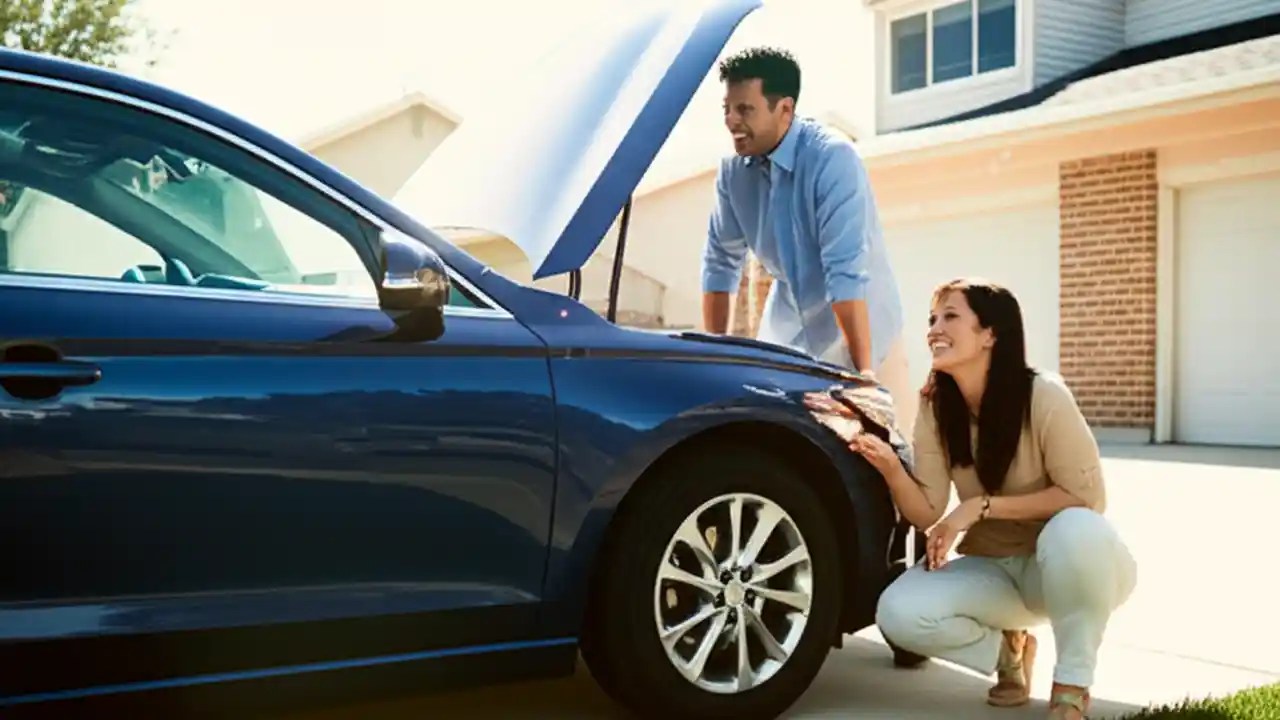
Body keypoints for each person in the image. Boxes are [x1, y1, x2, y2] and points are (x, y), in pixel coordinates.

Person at [848, 278, 1138, 720]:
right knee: (898, 613)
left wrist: (980, 507)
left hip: (1068, 569)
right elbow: (926, 510)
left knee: (1078, 528)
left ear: (990, 335)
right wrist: (889, 464)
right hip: (998, 575)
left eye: (950, 316)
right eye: (932, 319)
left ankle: (1073, 684)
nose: (934, 329)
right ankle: (1008, 652)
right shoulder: (936, 406)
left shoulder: (1044, 394)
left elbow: (1086, 497)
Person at [700, 46, 915, 434]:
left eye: (745, 110)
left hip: (867, 335)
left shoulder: (833, 159)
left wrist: (863, 372)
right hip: (790, 336)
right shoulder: (733, 173)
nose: (731, 121)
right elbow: (720, 265)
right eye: (727, 109)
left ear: (784, 109)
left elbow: (845, 272)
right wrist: (716, 358)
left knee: (894, 467)